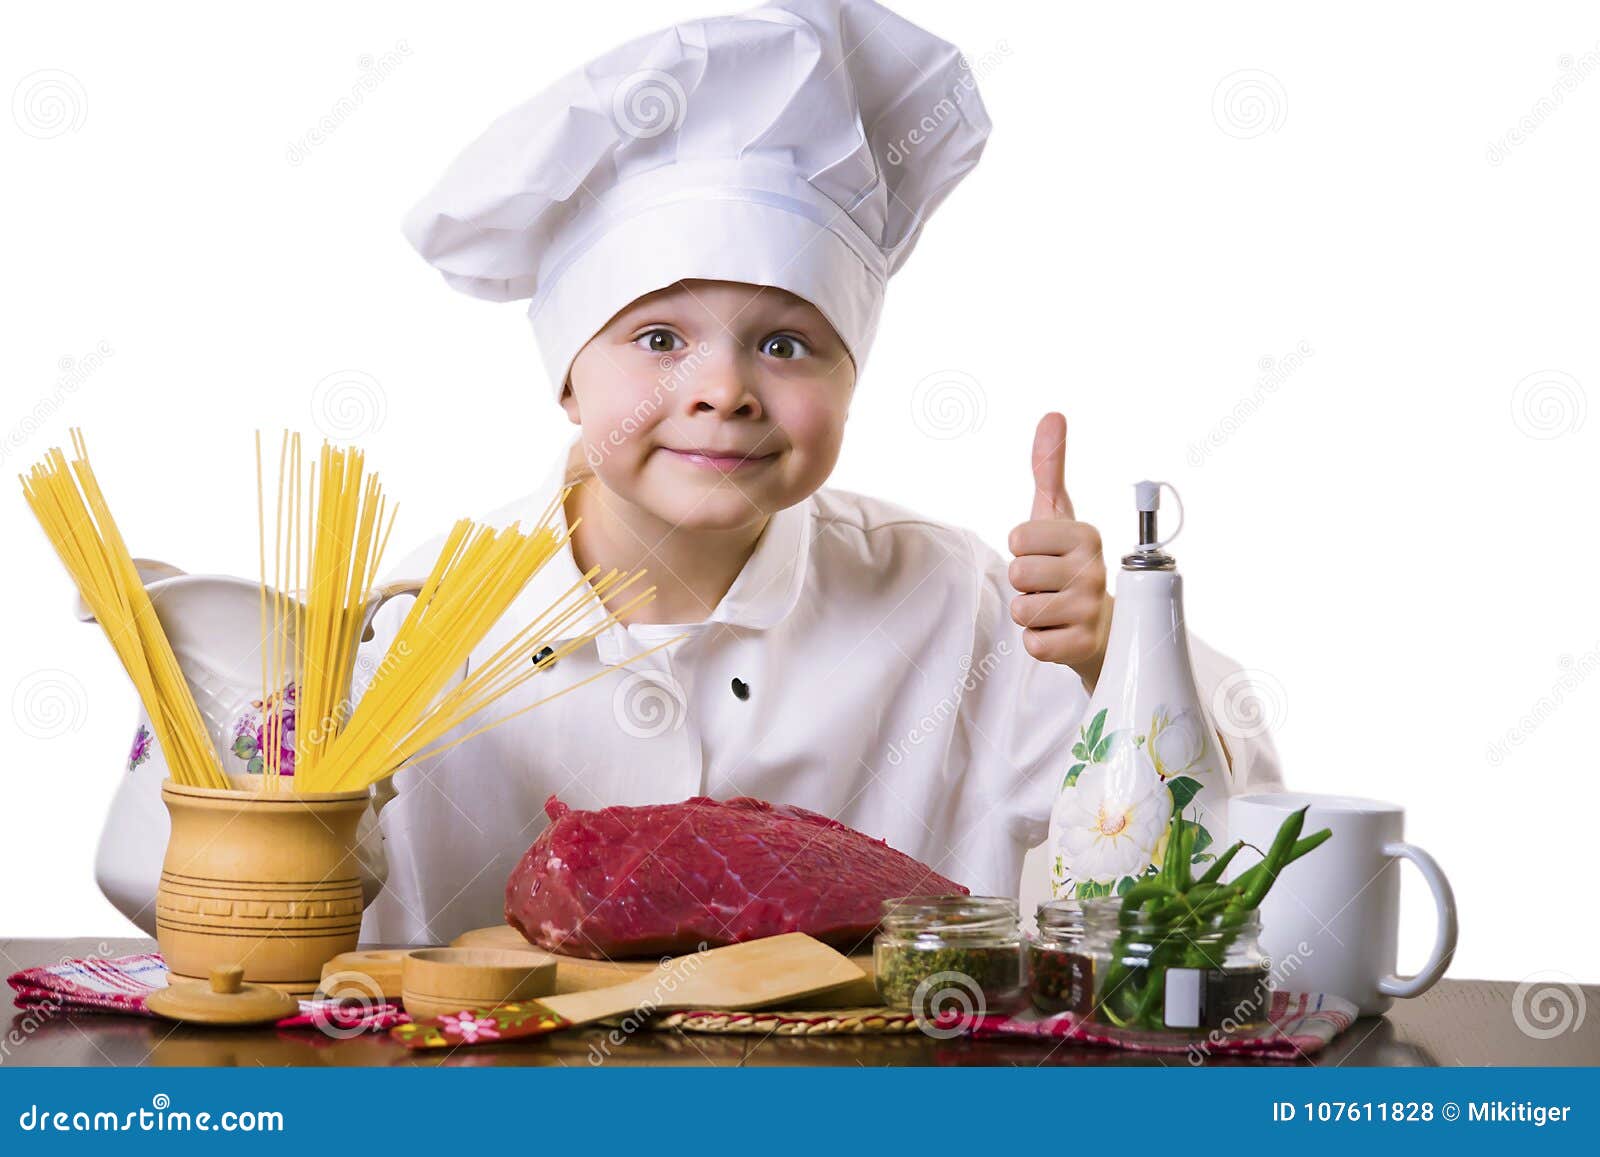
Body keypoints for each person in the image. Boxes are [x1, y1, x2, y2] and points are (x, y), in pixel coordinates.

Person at [93, 0, 1283, 945]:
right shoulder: (421, 628)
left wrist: (1115, 654)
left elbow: (1223, 877)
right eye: (659, 338)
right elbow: (198, 901)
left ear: (854, 376)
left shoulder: (962, 608)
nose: (725, 388)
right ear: (568, 378)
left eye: (787, 341)